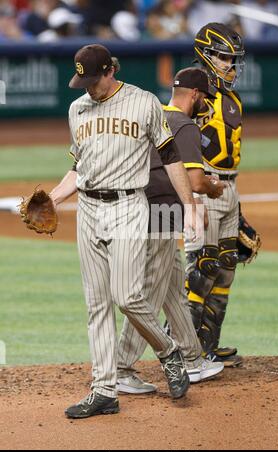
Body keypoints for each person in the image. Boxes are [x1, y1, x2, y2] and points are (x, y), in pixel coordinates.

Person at [49, 44, 203, 419]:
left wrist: (191, 207)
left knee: (127, 294)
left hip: (128, 206)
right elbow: (78, 167)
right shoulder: (78, 109)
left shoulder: (143, 102)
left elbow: (169, 157)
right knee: (97, 303)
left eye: (91, 80)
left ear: (108, 71)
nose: (86, 87)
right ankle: (104, 389)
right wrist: (53, 198)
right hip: (88, 208)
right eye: (81, 80)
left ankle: (168, 353)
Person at [117, 67, 226, 394]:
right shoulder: (185, 125)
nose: (206, 101)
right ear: (195, 95)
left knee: (172, 290)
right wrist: (212, 189)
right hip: (162, 212)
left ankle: (192, 360)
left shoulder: (152, 115)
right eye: (204, 96)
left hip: (138, 206)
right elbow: (193, 180)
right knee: (150, 290)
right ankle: (121, 367)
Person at [185, 22, 245, 367]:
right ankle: (183, 354)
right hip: (203, 188)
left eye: (234, 59)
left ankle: (208, 345)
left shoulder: (232, 98)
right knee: (200, 270)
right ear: (205, 56)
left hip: (229, 188)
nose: (231, 66)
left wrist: (240, 209)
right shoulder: (194, 96)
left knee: (224, 268)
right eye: (224, 58)